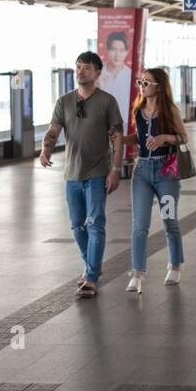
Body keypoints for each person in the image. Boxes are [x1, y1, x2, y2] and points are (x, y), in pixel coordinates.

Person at [41, 51, 124, 298]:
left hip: (98, 172)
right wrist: (46, 149)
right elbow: (54, 130)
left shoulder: (107, 102)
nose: (80, 71)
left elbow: (118, 137)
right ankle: (91, 268)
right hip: (72, 175)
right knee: (77, 226)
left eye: (86, 68)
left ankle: (90, 276)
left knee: (95, 223)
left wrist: (116, 170)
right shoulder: (64, 102)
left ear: (98, 73)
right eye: (78, 67)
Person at [121, 68, 187, 294]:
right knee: (139, 225)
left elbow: (183, 137)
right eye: (141, 82)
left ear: (159, 85)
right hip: (141, 172)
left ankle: (176, 264)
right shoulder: (138, 110)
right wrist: (121, 139)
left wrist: (164, 138)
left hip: (166, 173)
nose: (142, 85)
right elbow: (138, 139)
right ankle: (137, 272)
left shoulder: (170, 111)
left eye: (147, 82)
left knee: (169, 220)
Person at [98, 30, 134, 116]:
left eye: (121, 51)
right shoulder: (97, 72)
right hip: (99, 123)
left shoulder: (130, 76)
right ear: (107, 49)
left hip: (123, 123)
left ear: (127, 52)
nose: (117, 55)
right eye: (113, 50)